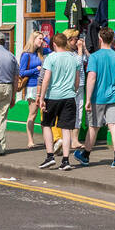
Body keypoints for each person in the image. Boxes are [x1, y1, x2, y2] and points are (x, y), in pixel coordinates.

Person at [74, 28, 115, 170]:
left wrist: (88, 99)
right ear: (112, 40)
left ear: (100, 40)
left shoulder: (95, 57)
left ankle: (85, 155)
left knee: (94, 127)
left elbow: (91, 78)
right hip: (114, 96)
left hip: (98, 97)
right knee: (114, 125)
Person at [35, 32, 83, 171]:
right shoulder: (75, 58)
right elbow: (77, 80)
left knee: (46, 125)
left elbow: (46, 79)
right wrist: (73, 91)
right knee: (66, 129)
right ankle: (66, 160)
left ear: (54, 44)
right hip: (69, 97)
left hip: (52, 97)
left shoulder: (51, 57)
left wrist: (42, 97)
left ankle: (50, 156)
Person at [18, 32, 45, 149]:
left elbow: (51, 45)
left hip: (43, 86)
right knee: (33, 114)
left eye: (42, 39)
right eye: (40, 39)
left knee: (45, 114)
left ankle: (48, 140)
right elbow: (21, 72)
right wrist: (35, 69)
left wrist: (45, 40)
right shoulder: (26, 55)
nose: (42, 41)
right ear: (33, 39)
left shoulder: (40, 53)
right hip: (32, 86)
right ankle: (30, 140)